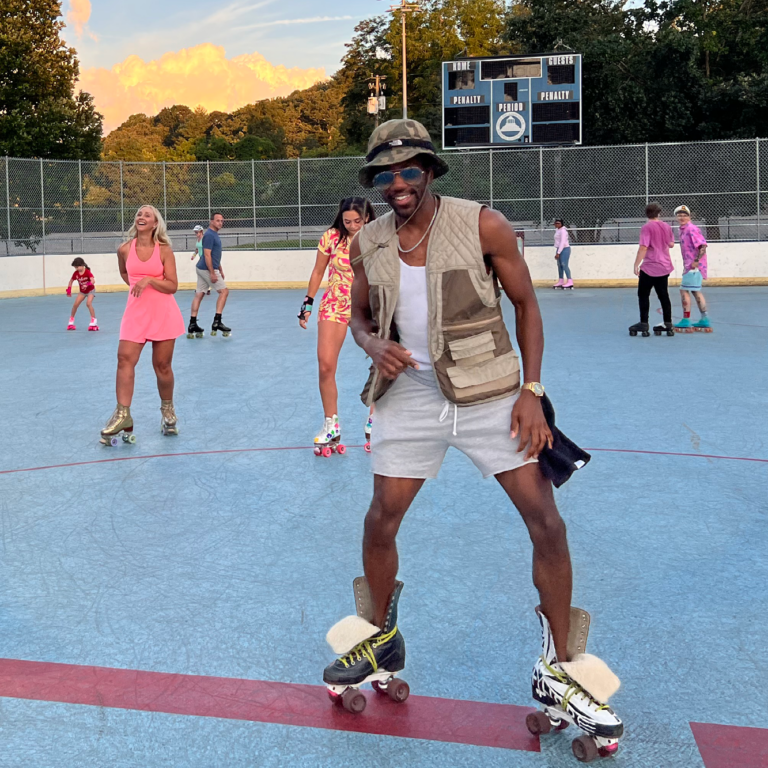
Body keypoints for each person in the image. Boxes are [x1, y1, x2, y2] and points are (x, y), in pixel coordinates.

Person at [321, 120, 623, 751]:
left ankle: (561, 669)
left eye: (408, 170)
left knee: (546, 521)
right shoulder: (366, 241)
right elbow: (363, 319)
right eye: (384, 174)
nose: (397, 183)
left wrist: (533, 393)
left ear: (430, 170)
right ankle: (380, 636)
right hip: (408, 396)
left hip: (491, 394)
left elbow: (528, 306)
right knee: (381, 519)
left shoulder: (483, 223)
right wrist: (374, 344)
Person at [100, 205, 185, 445]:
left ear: (155, 223)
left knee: (162, 366)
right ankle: (122, 415)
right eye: (139, 214)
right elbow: (126, 275)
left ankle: (167, 410)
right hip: (136, 312)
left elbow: (172, 286)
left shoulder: (165, 250)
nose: (141, 216)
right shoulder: (124, 249)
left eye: (147, 215)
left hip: (163, 313)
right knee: (124, 358)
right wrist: (138, 283)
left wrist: (148, 280)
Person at [299, 198, 376, 452]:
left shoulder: (378, 235)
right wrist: (307, 304)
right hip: (335, 302)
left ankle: (376, 420)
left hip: (369, 305)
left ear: (366, 217)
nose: (352, 225)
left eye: (357, 221)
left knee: (381, 364)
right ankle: (331, 424)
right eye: (347, 221)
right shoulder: (331, 237)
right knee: (325, 365)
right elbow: (318, 272)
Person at [629, 202, 675, 337]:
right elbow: (671, 244)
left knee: (643, 295)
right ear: (659, 213)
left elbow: (643, 247)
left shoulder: (646, 228)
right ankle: (668, 322)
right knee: (663, 295)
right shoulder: (666, 226)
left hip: (650, 266)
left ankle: (644, 322)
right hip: (664, 265)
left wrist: (636, 264)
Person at [188, 213, 230, 337]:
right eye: (217, 220)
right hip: (207, 268)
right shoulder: (210, 235)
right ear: (211, 221)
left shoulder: (214, 235)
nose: (220, 223)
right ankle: (217, 322)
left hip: (203, 268)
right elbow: (207, 255)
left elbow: (215, 255)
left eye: (222, 221)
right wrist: (212, 272)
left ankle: (192, 324)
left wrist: (220, 269)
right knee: (224, 292)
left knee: (199, 294)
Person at [674, 205, 711, 332]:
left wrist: (696, 261)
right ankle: (704, 318)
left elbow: (703, 246)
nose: (682, 217)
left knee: (684, 290)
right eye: (679, 215)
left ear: (689, 216)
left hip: (694, 266)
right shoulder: (683, 230)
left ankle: (686, 319)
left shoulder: (691, 229)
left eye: (684, 215)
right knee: (695, 291)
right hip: (690, 265)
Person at [66, 257, 98, 330]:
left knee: (88, 303)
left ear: (82, 265)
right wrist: (69, 290)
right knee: (75, 305)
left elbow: (93, 281)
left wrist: (87, 284)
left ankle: (94, 320)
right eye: (75, 267)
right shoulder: (76, 273)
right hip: (82, 292)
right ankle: (71, 320)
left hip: (90, 290)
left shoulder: (87, 272)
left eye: (77, 267)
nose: (76, 269)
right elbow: (71, 281)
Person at [553, 219, 573, 289]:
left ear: (561, 224)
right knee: (559, 265)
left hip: (565, 249)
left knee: (564, 265)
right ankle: (561, 280)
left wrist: (558, 253)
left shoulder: (563, 231)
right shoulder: (557, 230)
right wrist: (558, 251)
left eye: (558, 223)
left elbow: (562, 242)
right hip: (559, 248)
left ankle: (570, 281)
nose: (556, 224)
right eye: (555, 223)